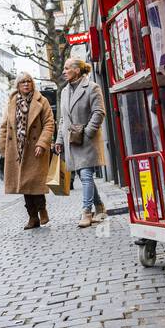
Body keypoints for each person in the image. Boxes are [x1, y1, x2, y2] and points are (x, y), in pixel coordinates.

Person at [54, 57, 108, 227]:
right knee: (83, 175)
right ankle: (100, 207)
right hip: (71, 141)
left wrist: (87, 133)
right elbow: (63, 119)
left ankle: (86, 212)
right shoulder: (64, 92)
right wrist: (59, 140)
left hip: (86, 140)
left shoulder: (92, 87)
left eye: (67, 68)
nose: (64, 71)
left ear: (77, 70)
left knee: (85, 175)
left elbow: (99, 113)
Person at [0, 72, 56, 229]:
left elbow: (49, 123)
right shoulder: (11, 103)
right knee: (23, 184)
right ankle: (32, 217)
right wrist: (3, 147)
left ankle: (42, 210)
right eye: (22, 82)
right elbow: (4, 127)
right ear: (17, 85)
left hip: (35, 148)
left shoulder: (41, 101)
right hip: (17, 149)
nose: (26, 84)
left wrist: (42, 143)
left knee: (34, 182)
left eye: (28, 81)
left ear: (32, 84)